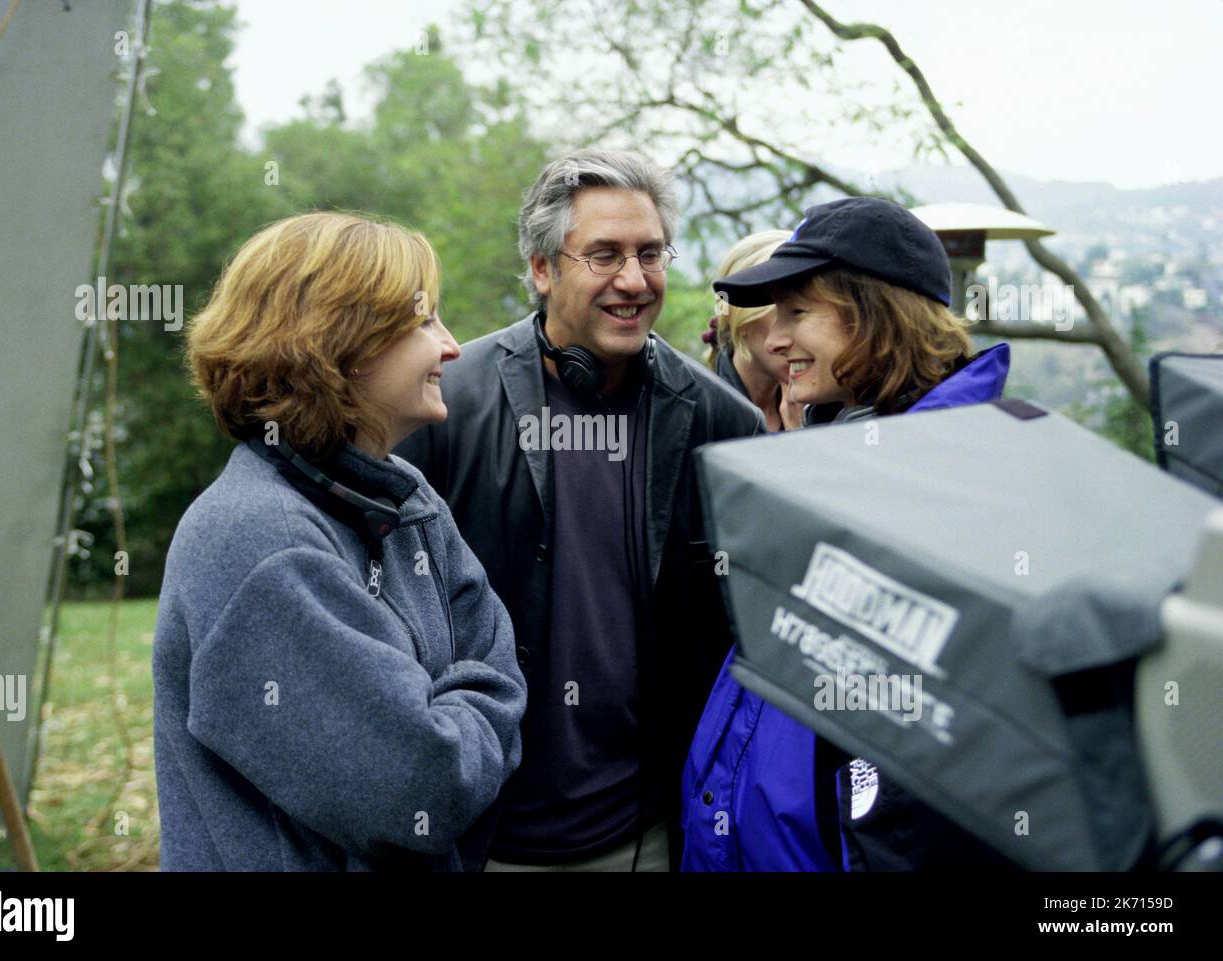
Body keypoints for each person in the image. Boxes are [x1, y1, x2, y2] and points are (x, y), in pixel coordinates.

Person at [396, 149, 764, 871]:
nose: (634, 280)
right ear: (542, 269)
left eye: (649, 253)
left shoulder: (724, 422)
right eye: (604, 255)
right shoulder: (442, 404)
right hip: (480, 834)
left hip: (649, 835)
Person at [152, 212, 526, 871]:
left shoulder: (404, 494)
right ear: (337, 345)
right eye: (423, 322)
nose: (452, 346)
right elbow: (422, 788)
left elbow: (496, 658)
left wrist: (448, 711)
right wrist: (459, 719)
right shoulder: (261, 539)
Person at [680, 196, 1013, 871]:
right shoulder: (843, 465)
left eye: (797, 312)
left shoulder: (952, 497)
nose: (774, 341)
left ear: (876, 316)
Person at [702, 229, 802, 430]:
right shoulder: (698, 413)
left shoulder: (822, 404)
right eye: (782, 313)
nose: (801, 336)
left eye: (803, 313)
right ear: (741, 316)